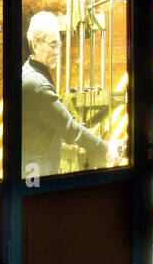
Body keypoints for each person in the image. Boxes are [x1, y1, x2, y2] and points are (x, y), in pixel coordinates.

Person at [22, 11, 118, 178]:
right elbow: (71, 129)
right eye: (53, 45)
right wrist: (106, 149)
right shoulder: (37, 85)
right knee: (37, 203)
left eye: (59, 44)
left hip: (32, 164)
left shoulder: (28, 70)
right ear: (36, 44)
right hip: (35, 170)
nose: (58, 51)